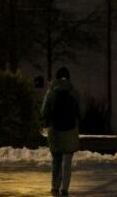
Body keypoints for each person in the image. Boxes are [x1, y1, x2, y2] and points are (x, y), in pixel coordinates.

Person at [40, 67, 83, 197]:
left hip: (55, 131)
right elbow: (81, 112)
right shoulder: (74, 92)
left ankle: (54, 187)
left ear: (57, 77)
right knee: (67, 161)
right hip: (70, 131)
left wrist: (46, 122)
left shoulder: (50, 92)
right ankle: (65, 189)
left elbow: (43, 111)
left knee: (56, 160)